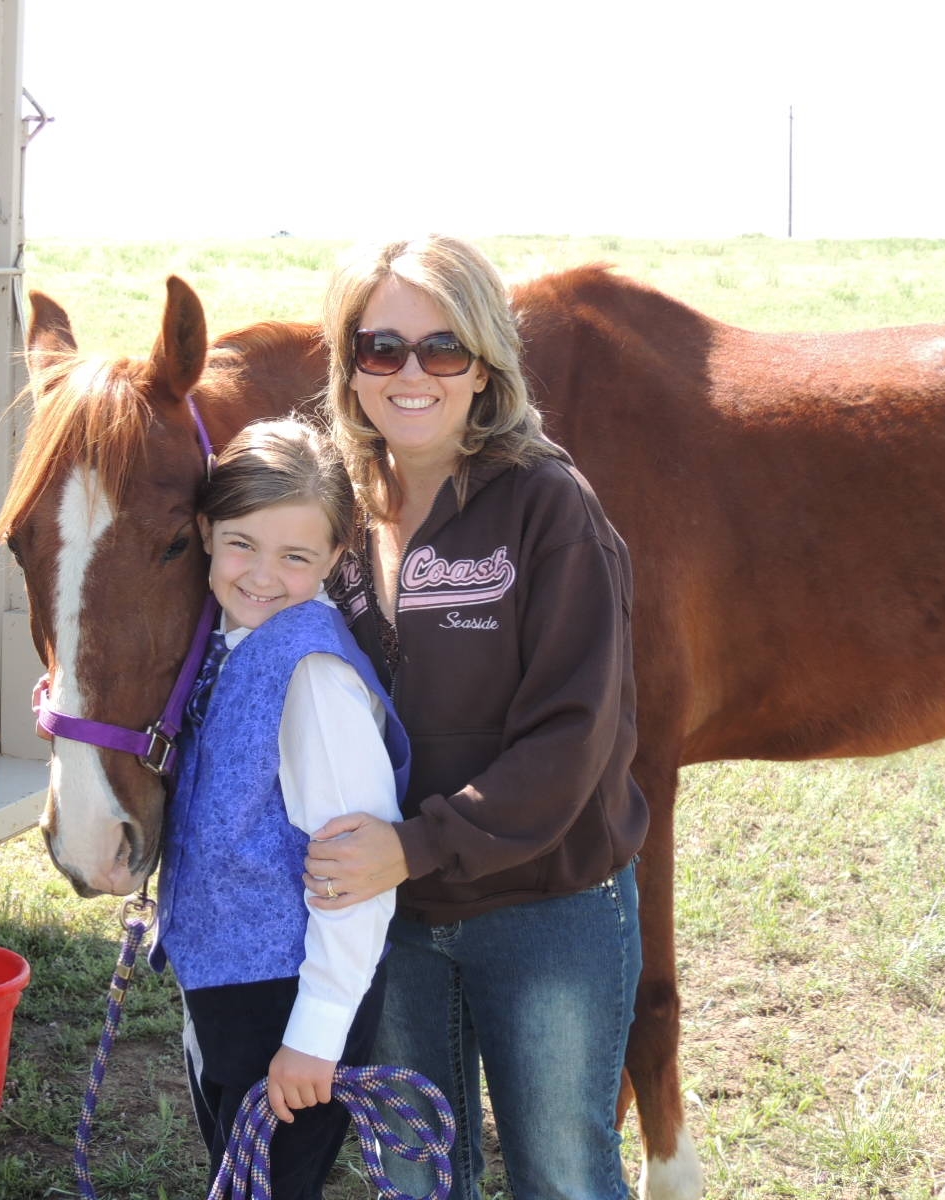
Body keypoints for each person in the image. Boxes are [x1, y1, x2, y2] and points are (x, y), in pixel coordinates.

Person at [304, 235, 650, 1200]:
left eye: (442, 348)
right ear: (350, 365)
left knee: (562, 1176)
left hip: (546, 907)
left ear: (486, 362)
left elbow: (572, 739)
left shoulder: (550, 509)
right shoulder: (332, 511)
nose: (411, 374)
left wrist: (416, 845)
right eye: (382, 348)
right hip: (396, 918)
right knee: (413, 1179)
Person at [151, 417, 411, 1199]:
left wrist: (316, 1035)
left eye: (295, 557)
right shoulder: (228, 643)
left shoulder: (313, 680)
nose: (262, 575)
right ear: (205, 531)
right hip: (227, 992)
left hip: (290, 1004)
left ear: (335, 556)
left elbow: (356, 875)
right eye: (241, 545)